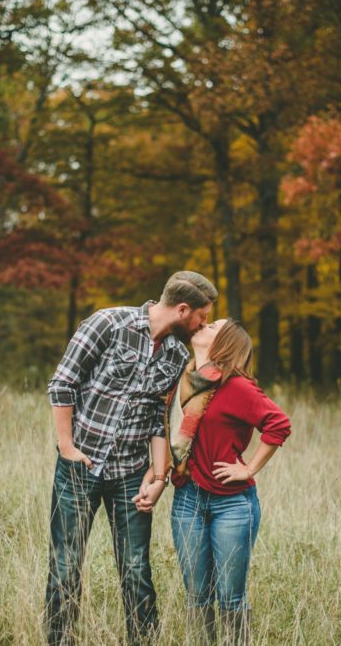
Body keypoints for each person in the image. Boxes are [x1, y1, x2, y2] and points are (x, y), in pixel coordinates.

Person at [44, 271, 218, 645]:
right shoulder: (108, 323)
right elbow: (62, 383)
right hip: (80, 467)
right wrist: (67, 449)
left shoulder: (175, 355)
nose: (204, 323)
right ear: (183, 309)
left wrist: (157, 478)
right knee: (66, 565)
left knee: (136, 570)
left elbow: (158, 418)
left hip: (131, 474)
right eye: (202, 316)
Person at [138, 319, 291, 645]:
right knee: (197, 596)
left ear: (224, 344)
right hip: (187, 500)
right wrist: (158, 473)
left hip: (232, 504)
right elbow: (168, 432)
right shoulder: (184, 379)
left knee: (230, 597)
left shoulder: (237, 387)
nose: (203, 324)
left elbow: (278, 425)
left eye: (213, 326)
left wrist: (248, 469)